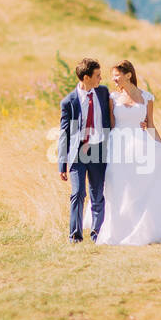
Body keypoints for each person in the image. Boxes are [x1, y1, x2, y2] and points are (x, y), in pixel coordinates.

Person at [95, 60, 161, 245]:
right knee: (117, 185)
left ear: (128, 75)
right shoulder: (112, 98)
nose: (114, 79)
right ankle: (116, 232)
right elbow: (111, 125)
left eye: (117, 75)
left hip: (141, 143)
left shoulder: (147, 97)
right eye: (113, 76)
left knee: (140, 186)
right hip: (118, 145)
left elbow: (150, 125)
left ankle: (144, 229)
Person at [57, 58, 111, 243]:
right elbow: (64, 134)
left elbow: (116, 113)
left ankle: (97, 234)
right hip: (78, 152)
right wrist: (61, 165)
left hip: (97, 150)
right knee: (78, 192)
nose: (101, 79)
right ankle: (75, 235)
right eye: (97, 76)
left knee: (97, 193)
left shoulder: (103, 92)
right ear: (86, 77)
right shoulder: (69, 101)